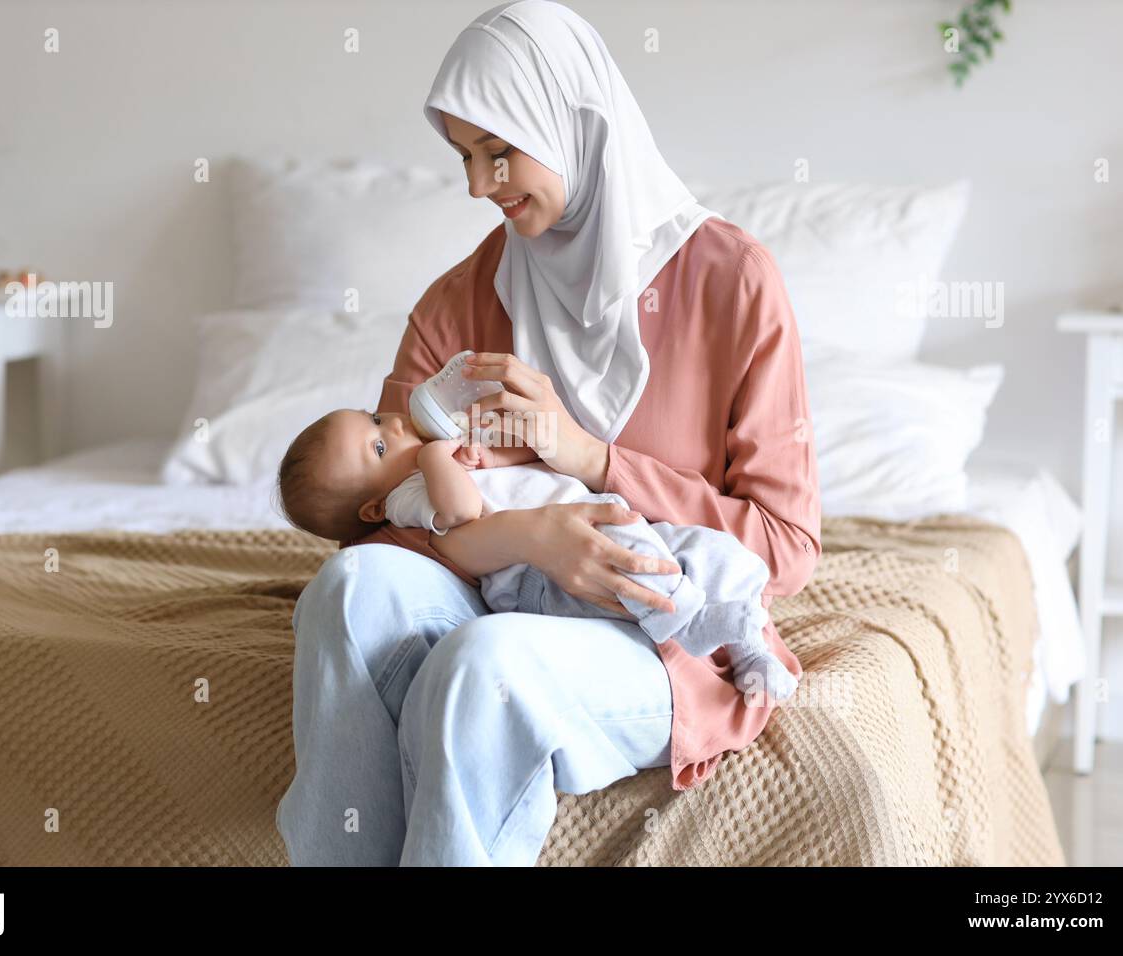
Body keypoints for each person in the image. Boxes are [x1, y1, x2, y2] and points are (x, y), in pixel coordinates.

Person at [277, 0, 820, 867]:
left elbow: (787, 549)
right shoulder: (457, 301)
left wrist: (592, 460)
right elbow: (382, 518)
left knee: (482, 667)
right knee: (347, 589)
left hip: (663, 638)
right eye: (463, 157)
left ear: (573, 123)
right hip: (496, 593)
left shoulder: (732, 284)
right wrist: (529, 537)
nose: (477, 186)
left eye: (500, 152)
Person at [276, 406, 799, 699]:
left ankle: (748, 645)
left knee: (715, 551)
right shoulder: (407, 496)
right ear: (372, 510)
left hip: (597, 516)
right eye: (378, 447)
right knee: (639, 567)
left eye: (372, 418)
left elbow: (534, 462)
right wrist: (440, 458)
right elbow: (460, 512)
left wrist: (484, 452)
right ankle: (690, 622)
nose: (390, 425)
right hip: (538, 578)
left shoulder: (428, 465)